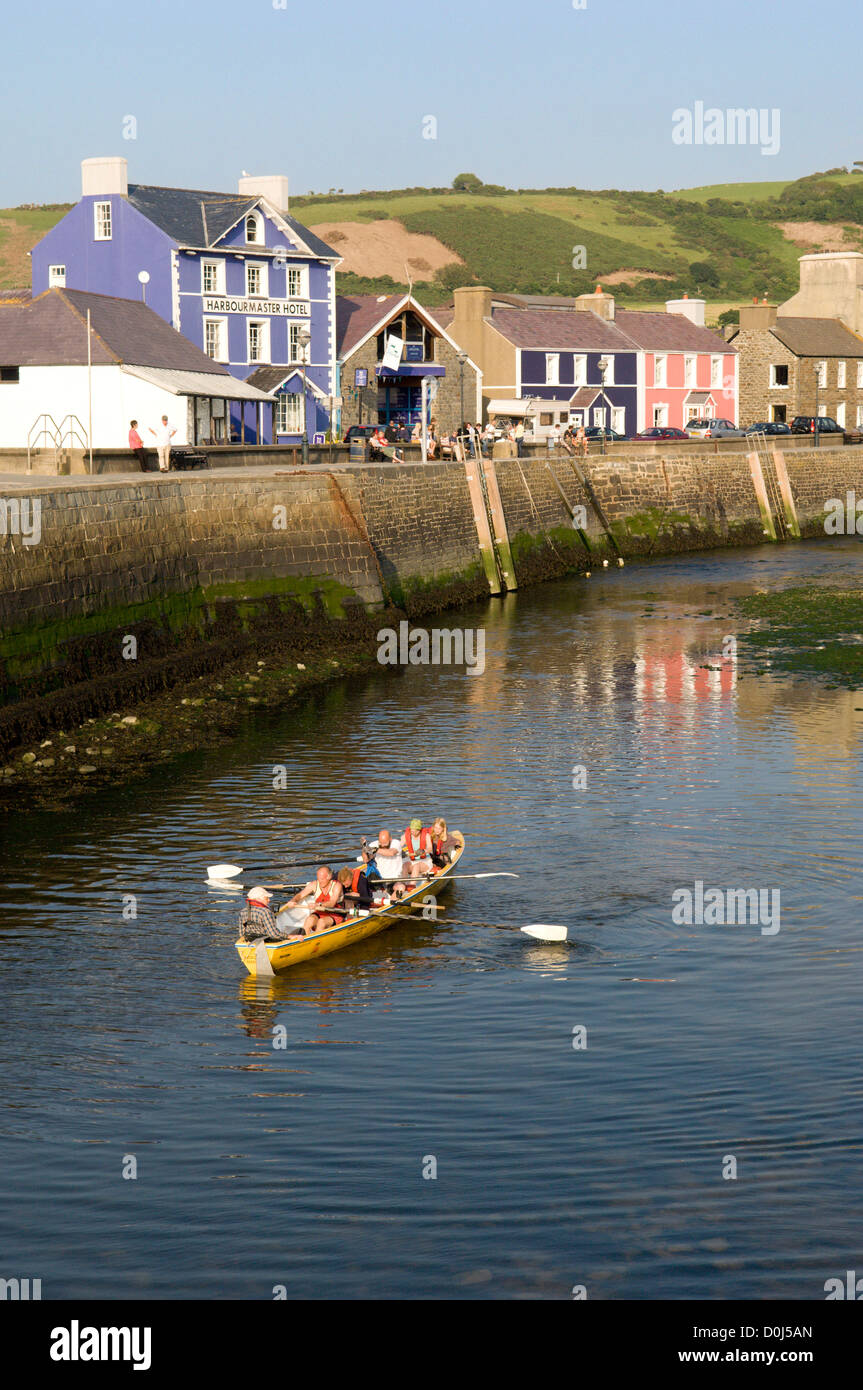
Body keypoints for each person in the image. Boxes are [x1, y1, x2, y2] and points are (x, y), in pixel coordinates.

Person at [283, 866, 346, 938]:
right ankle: (305, 941)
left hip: (335, 914)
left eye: (322, 879)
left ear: (329, 877)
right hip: (320, 912)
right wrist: (293, 901)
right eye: (318, 879)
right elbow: (300, 895)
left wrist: (318, 904)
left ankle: (316, 943)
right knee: (309, 920)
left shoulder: (337, 885)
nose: (320, 881)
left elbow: (332, 903)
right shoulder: (314, 884)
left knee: (321, 922)